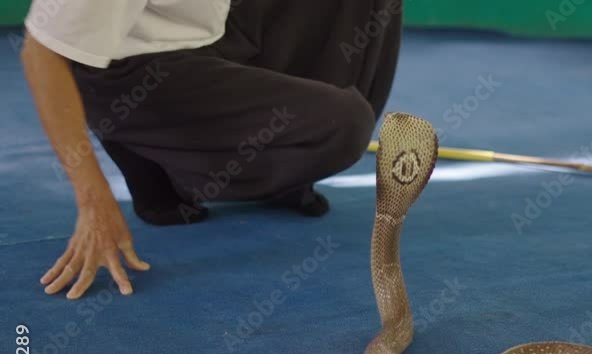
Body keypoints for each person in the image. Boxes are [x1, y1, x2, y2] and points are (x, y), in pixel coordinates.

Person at [21, 0, 402, 299]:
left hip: (211, 34)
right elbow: (42, 53)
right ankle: (170, 171)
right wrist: (93, 198)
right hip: (136, 78)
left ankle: (271, 169)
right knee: (345, 124)